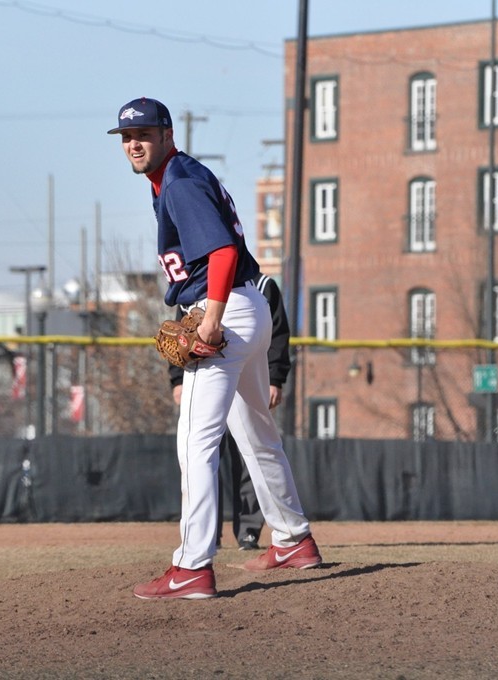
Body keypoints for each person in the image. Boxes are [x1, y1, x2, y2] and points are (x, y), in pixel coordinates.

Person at [109, 97, 321, 600]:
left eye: (143, 134)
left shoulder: (179, 183)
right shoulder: (177, 177)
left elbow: (223, 251)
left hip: (223, 311)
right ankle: (293, 539)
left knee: (193, 442)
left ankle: (192, 566)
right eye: (125, 138)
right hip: (250, 311)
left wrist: (211, 323)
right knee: (255, 434)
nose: (134, 144)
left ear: (167, 134)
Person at [168, 273, 292, 551]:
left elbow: (278, 334)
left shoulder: (261, 286)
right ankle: (208, 535)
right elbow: (181, 334)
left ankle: (247, 532)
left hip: (243, 367)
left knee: (247, 452)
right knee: (208, 453)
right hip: (207, 372)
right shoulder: (195, 283)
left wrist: (275, 378)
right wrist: (177, 379)